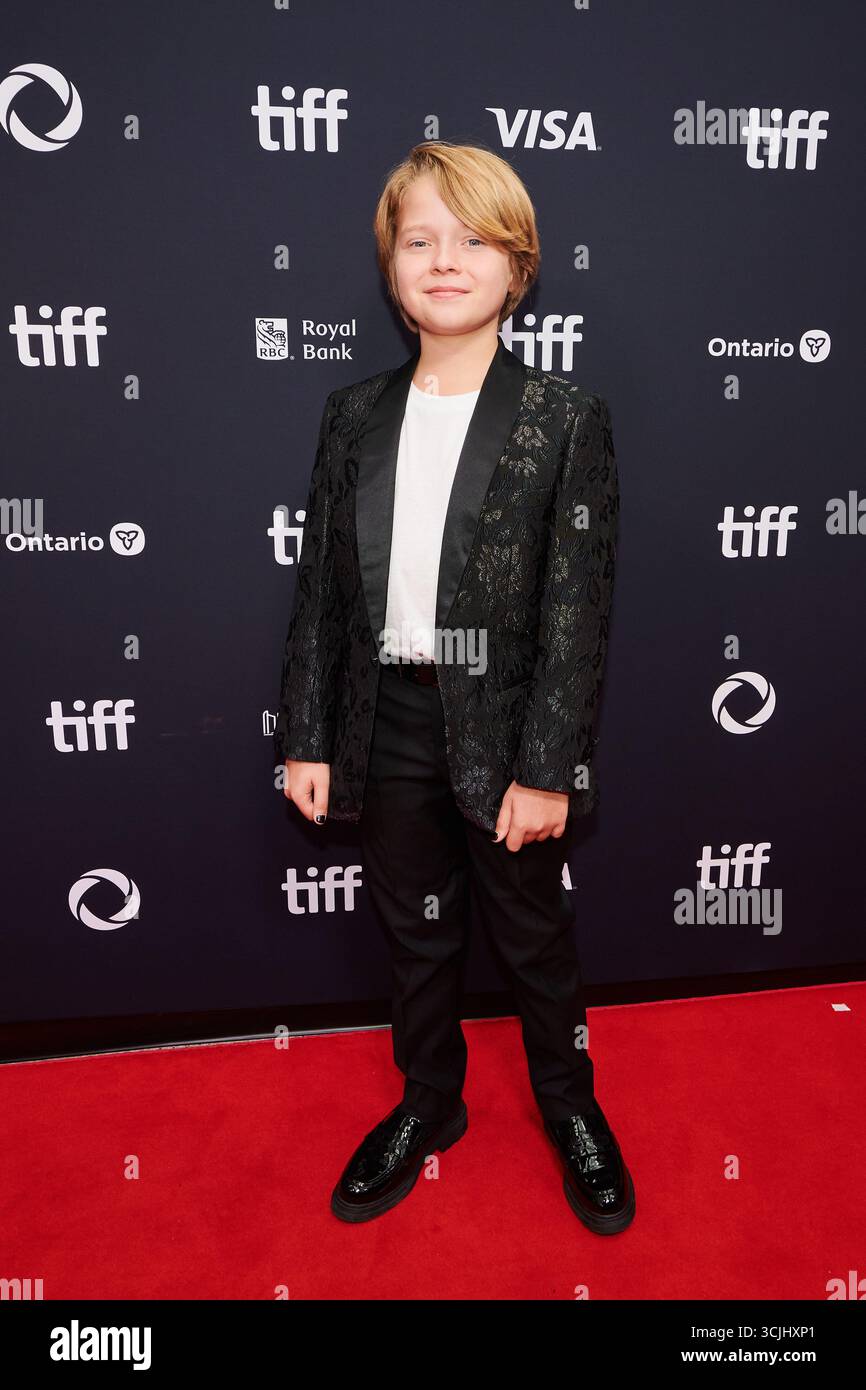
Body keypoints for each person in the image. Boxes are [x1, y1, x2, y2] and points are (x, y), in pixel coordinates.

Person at [273, 140, 633, 1235]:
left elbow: (577, 608)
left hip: (506, 723)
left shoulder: (564, 416)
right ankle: (429, 1105)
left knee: (531, 937)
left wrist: (545, 766)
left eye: (471, 239)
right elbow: (322, 596)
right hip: (385, 716)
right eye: (419, 239)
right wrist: (309, 735)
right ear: (390, 269)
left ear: (516, 268)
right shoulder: (351, 415)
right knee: (413, 932)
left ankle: (568, 1109)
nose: (443, 260)